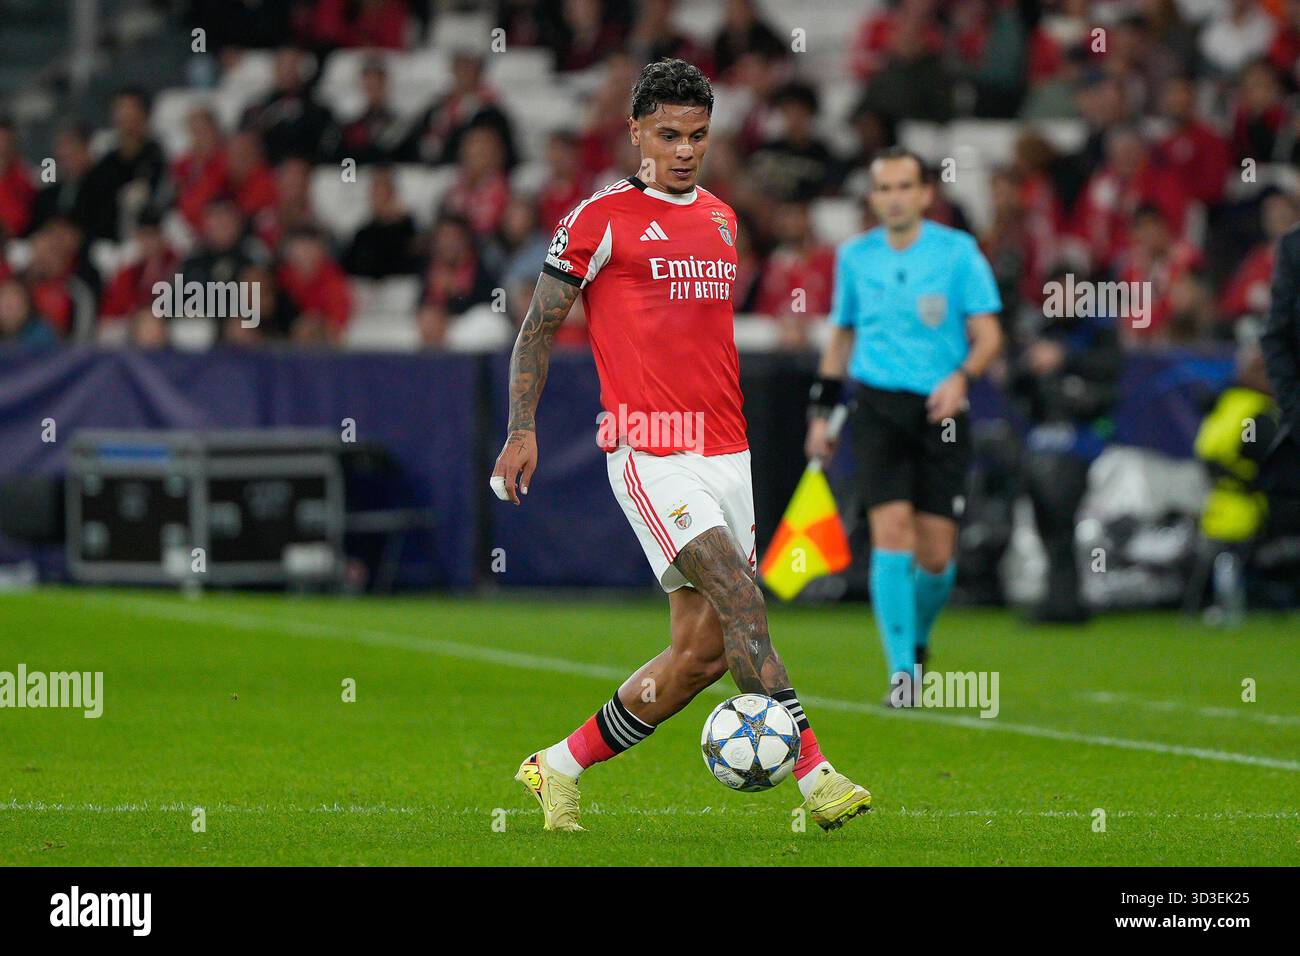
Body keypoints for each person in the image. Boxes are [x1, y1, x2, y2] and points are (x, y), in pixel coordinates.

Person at [490, 59, 872, 833]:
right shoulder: (598, 219)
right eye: (668, 135)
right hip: (650, 450)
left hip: (727, 451)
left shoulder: (723, 220)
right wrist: (521, 427)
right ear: (636, 132)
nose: (685, 150)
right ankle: (816, 775)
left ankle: (557, 764)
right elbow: (539, 327)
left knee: (701, 656)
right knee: (740, 593)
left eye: (697, 135)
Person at [805, 146, 1003, 705]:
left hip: (941, 411)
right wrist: (822, 416)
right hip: (877, 408)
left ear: (925, 194)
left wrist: (962, 378)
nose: (894, 198)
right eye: (884, 188)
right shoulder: (854, 257)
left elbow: (990, 336)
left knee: (937, 557)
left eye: (904, 187)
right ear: (873, 198)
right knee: (892, 533)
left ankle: (916, 641)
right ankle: (902, 675)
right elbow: (840, 338)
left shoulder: (958, 253)